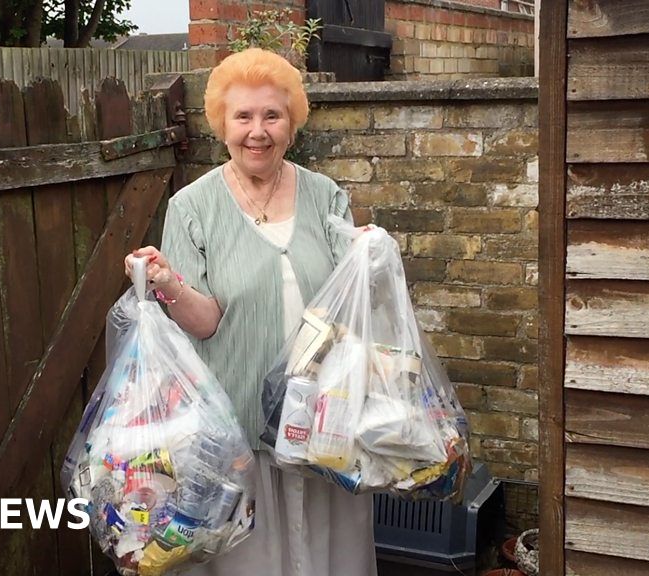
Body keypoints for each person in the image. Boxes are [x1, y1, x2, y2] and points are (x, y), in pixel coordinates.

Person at [126, 48, 378, 576]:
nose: (257, 131)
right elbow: (204, 322)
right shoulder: (192, 207)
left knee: (328, 556)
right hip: (240, 427)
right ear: (222, 124)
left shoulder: (326, 196)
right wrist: (168, 283)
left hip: (321, 427)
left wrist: (369, 257)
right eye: (243, 116)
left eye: (272, 115)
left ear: (292, 123)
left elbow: (349, 303)